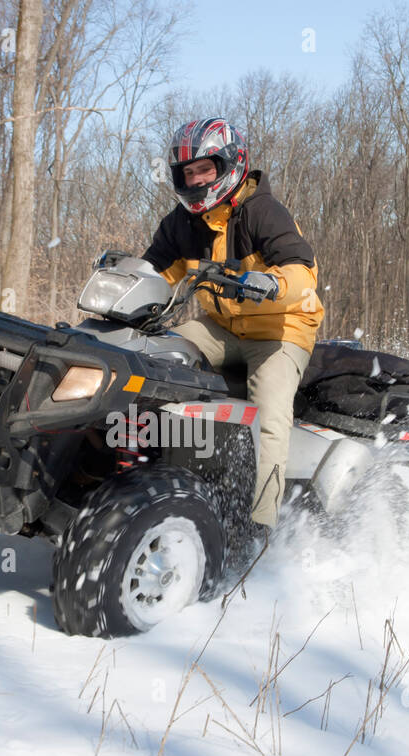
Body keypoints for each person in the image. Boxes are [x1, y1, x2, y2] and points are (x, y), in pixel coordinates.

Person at [141, 117, 325, 531]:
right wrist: (123, 283)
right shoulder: (181, 223)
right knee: (153, 353)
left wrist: (269, 283)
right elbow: (152, 274)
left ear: (230, 165)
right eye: (187, 173)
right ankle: (150, 466)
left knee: (271, 414)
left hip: (281, 330)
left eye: (205, 169)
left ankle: (260, 526)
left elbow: (302, 270)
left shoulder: (262, 211)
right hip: (221, 329)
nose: (195, 180)